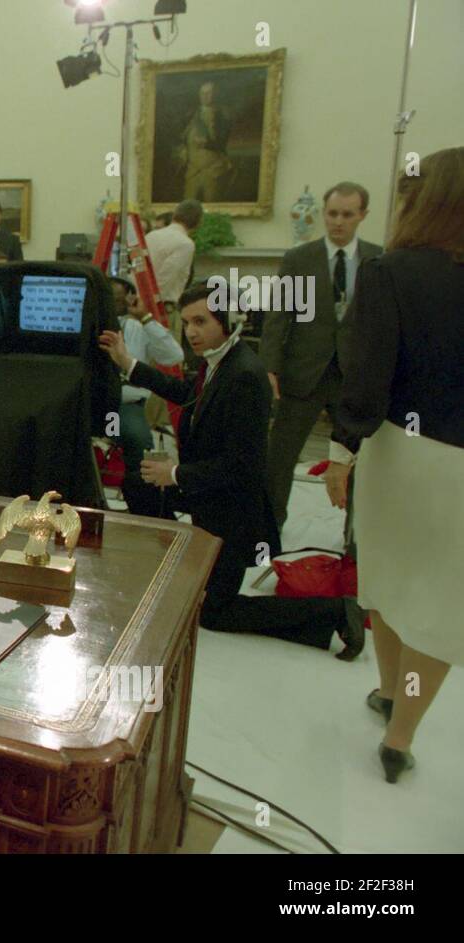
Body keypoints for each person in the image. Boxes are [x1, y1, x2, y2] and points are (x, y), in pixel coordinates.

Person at [99, 281, 364, 656]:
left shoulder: (244, 376)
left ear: (225, 320)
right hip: (210, 492)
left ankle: (334, 611)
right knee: (136, 483)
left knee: (215, 613)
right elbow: (186, 393)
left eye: (201, 321)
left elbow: (242, 468)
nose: (191, 331)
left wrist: (175, 474)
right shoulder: (220, 361)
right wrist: (128, 362)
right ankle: (178, 564)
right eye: (187, 321)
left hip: (235, 512)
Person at [330, 147, 464, 783]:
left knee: (384, 578)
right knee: (441, 602)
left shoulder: (391, 272)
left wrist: (339, 451)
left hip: (400, 452)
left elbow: (366, 376)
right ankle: (400, 733)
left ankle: (388, 688)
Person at [261, 181, 382, 529]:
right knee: (280, 457)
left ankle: (354, 539)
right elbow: (278, 314)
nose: (338, 222)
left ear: (362, 215)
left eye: (347, 214)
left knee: (358, 457)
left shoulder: (379, 259)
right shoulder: (300, 258)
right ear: (323, 215)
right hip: (303, 372)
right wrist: (270, 366)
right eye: (332, 214)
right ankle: (270, 529)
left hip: (355, 376)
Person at [107, 276, 183, 518]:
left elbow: (174, 356)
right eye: (109, 299)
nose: (113, 305)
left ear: (129, 300)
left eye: (119, 300)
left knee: (140, 444)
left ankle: (148, 511)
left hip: (125, 406)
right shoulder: (87, 325)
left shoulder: (138, 328)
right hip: (90, 403)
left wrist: (145, 317)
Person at [146, 199, 201, 323]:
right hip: (162, 310)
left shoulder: (151, 236)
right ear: (197, 222)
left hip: (142, 305)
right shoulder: (185, 244)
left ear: (175, 215)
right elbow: (167, 278)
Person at [176, 81, 232, 202]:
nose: (205, 96)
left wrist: (206, 143)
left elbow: (222, 143)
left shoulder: (222, 116)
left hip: (212, 171)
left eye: (209, 93)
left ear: (215, 95)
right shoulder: (191, 115)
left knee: (211, 208)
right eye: (203, 93)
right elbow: (181, 139)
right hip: (192, 171)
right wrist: (183, 150)